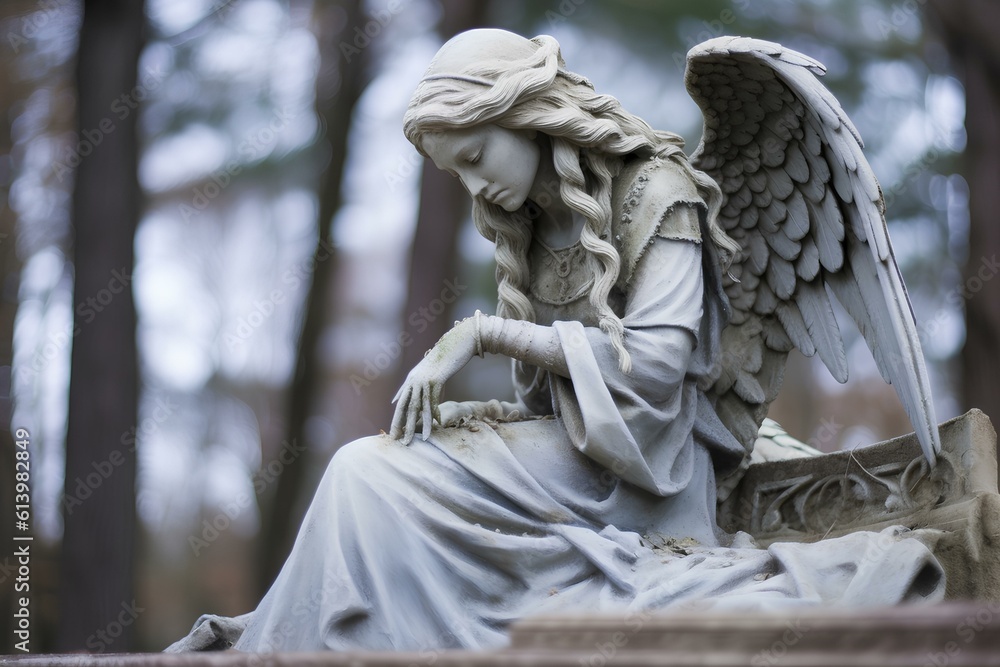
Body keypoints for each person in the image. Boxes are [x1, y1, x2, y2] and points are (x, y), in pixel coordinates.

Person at [168, 28, 943, 654]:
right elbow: (558, 400)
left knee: (368, 476)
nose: (474, 188)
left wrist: (483, 334)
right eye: (455, 174)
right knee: (368, 469)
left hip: (651, 480)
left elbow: (658, 367)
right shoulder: (536, 225)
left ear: (528, 114)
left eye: (475, 157)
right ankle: (348, 637)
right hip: (579, 462)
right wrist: (489, 417)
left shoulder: (658, 194)